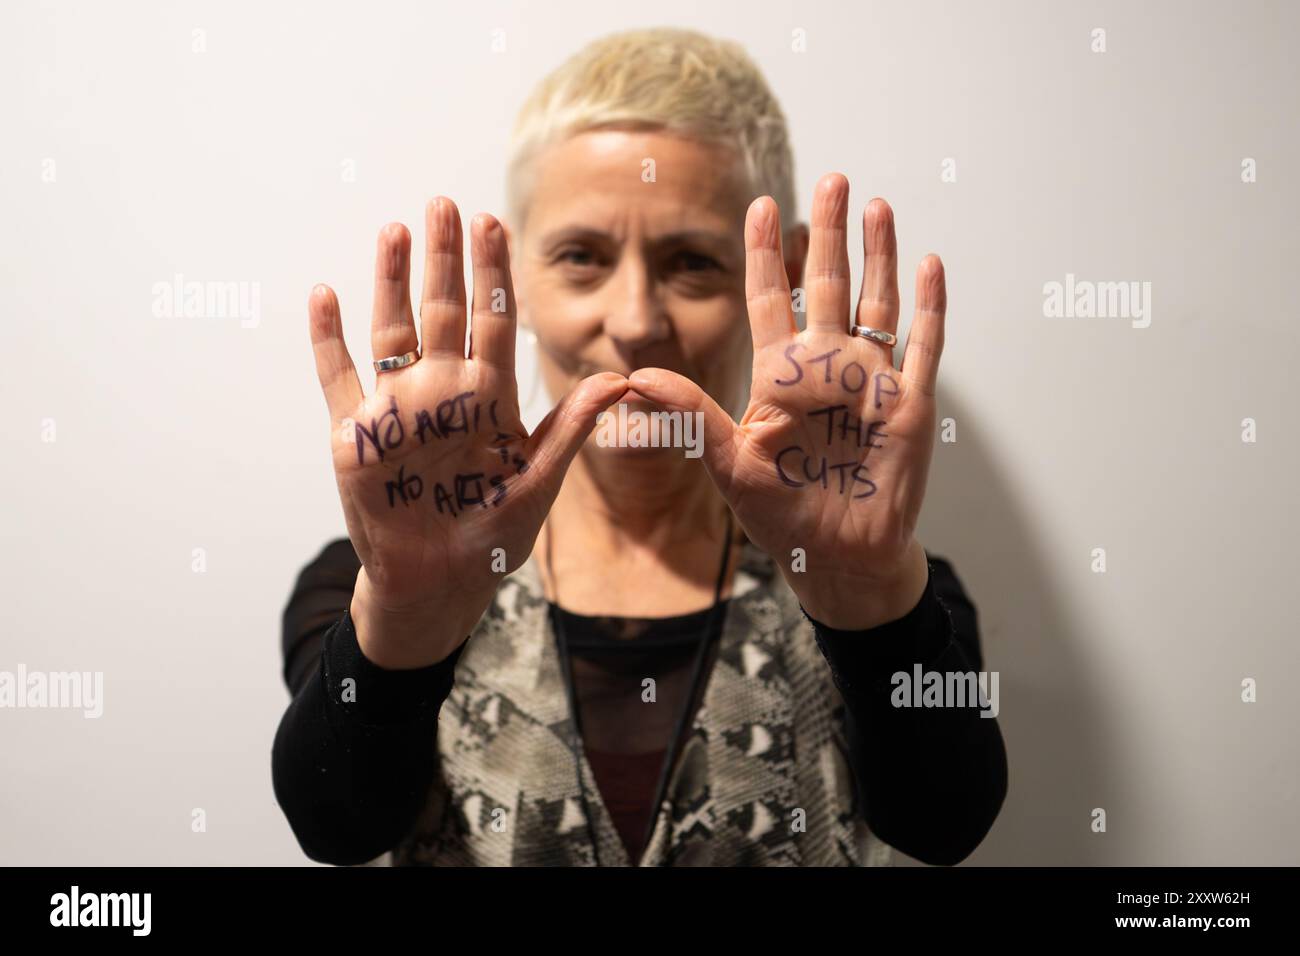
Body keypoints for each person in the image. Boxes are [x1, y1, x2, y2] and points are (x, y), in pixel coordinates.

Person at [272, 27, 1007, 867]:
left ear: (786, 275)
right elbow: (336, 826)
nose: (634, 323)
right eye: (581, 257)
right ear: (513, 280)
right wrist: (400, 625)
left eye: (692, 262)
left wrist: (873, 609)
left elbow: (946, 823)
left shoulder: (898, 587)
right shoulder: (366, 578)